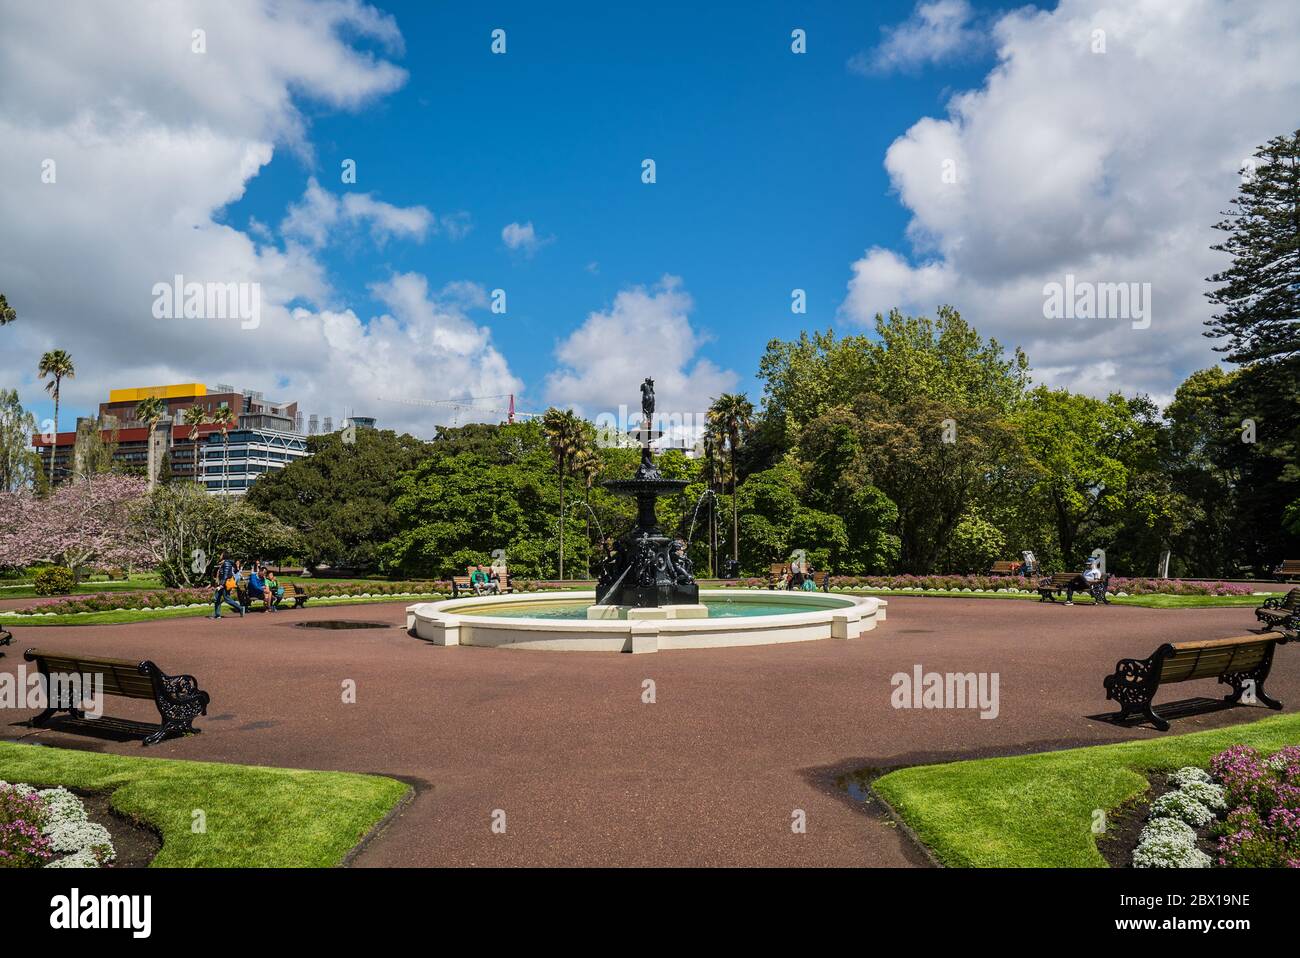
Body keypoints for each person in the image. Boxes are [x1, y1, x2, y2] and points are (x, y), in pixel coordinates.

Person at [211, 553, 243, 619]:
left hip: (225, 584)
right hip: (222, 582)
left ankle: (240, 608)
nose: (220, 556)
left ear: (224, 556)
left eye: (221, 555)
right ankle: (217, 614)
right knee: (217, 598)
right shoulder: (224, 563)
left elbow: (225, 575)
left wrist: (221, 585)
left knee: (226, 598)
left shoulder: (226, 563)